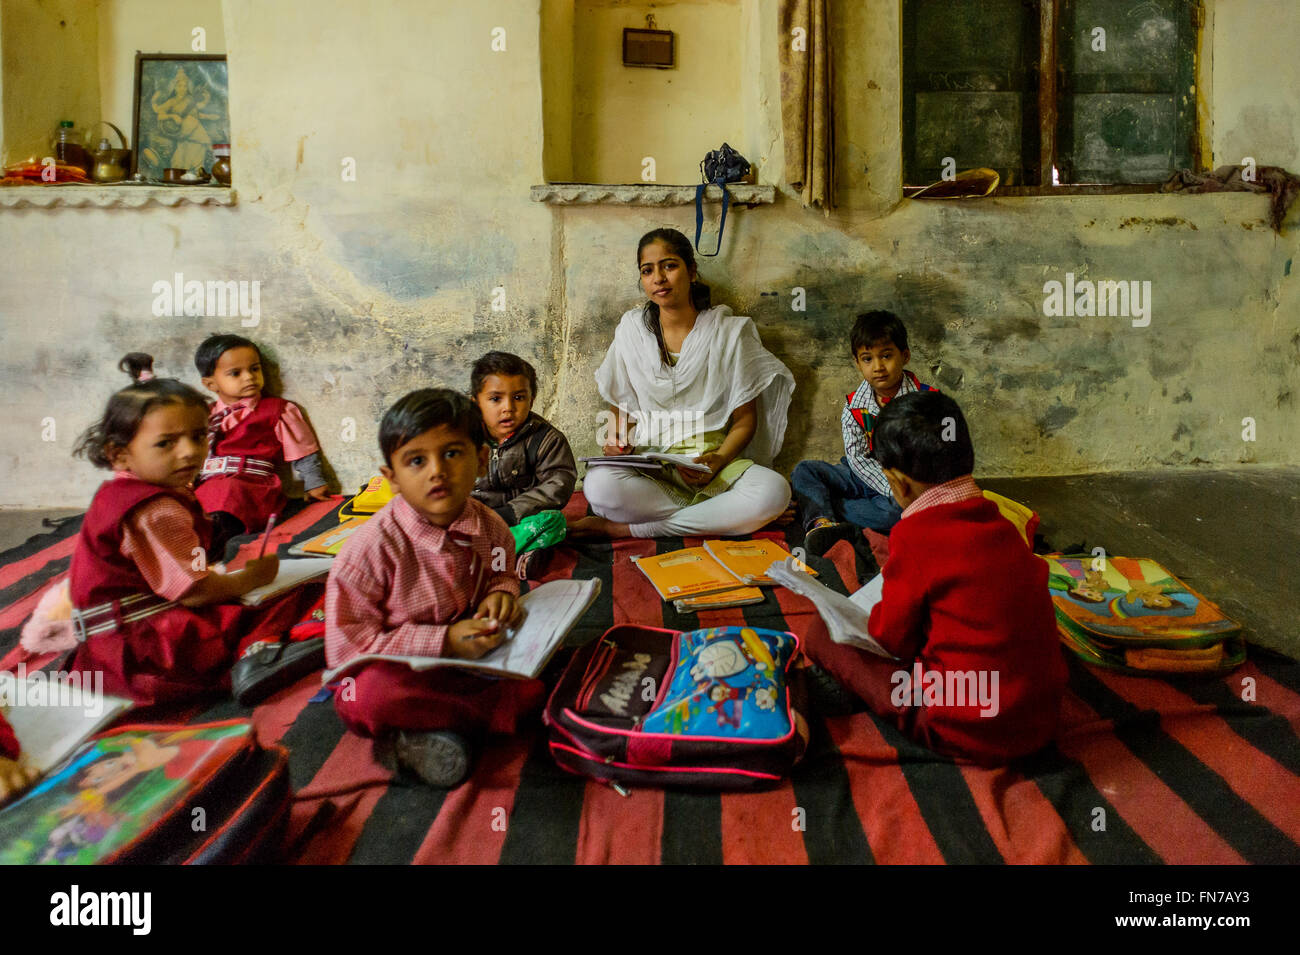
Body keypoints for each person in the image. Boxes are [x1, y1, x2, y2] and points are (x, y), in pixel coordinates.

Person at [801, 391, 1067, 764]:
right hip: (1040, 720)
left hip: (967, 728)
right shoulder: (1003, 521)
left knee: (821, 633)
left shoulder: (916, 535)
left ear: (899, 483)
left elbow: (891, 639)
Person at [325, 389, 543, 789]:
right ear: (389, 478)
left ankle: (430, 736)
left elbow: (501, 572)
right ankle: (469, 721)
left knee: (542, 661)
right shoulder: (367, 552)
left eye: (452, 454)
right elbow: (348, 651)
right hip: (401, 668)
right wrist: (443, 642)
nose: (437, 472)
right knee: (365, 696)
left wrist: (502, 593)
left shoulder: (490, 525)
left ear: (480, 460)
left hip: (474, 658)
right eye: (416, 461)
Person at [66, 359, 319, 705]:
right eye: (166, 443)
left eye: (199, 437)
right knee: (288, 596)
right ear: (119, 454)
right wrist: (250, 579)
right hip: (152, 649)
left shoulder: (119, 492)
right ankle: (258, 656)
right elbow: (195, 593)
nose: (189, 452)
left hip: (107, 646)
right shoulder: (155, 508)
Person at [570, 228, 794, 539]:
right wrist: (617, 442)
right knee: (599, 486)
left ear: (692, 271)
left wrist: (717, 461)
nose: (658, 278)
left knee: (774, 491)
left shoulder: (728, 333)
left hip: (711, 462)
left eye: (669, 266)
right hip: (653, 467)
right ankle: (721, 516)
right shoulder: (631, 331)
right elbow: (620, 410)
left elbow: (745, 421)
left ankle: (624, 530)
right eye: (647, 271)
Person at [791, 310, 934, 556]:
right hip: (860, 472)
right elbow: (857, 459)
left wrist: (898, 489)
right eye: (867, 359)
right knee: (805, 470)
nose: (878, 367)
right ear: (858, 363)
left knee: (896, 514)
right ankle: (820, 523)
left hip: (904, 484)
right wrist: (885, 486)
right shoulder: (854, 406)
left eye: (886, 356)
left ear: (905, 356)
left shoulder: (927, 401)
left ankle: (828, 507)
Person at [192, 334, 330, 558]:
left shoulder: (277, 410)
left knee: (228, 494)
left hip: (253, 485)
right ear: (211, 384)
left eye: (254, 369)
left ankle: (216, 549)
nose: (249, 377)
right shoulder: (203, 416)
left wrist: (313, 482)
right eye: (235, 373)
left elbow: (302, 448)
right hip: (210, 482)